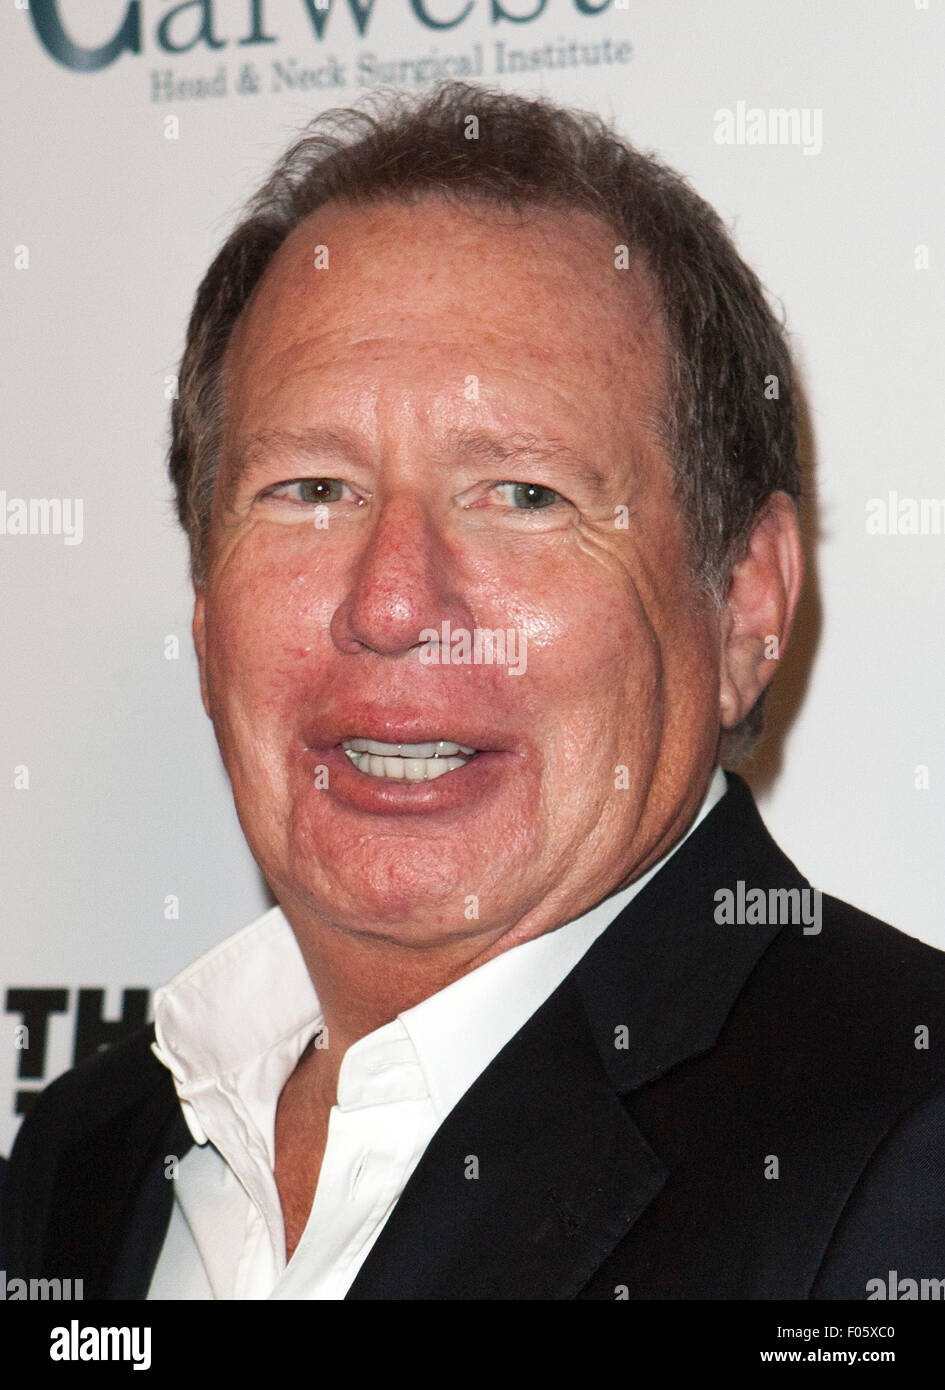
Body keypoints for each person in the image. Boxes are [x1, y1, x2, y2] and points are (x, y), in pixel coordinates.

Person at [4, 82, 945, 1301]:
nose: (394, 605)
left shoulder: (907, 1153)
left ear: (745, 603)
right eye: (310, 488)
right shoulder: (89, 1160)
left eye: (523, 495)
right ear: (204, 597)